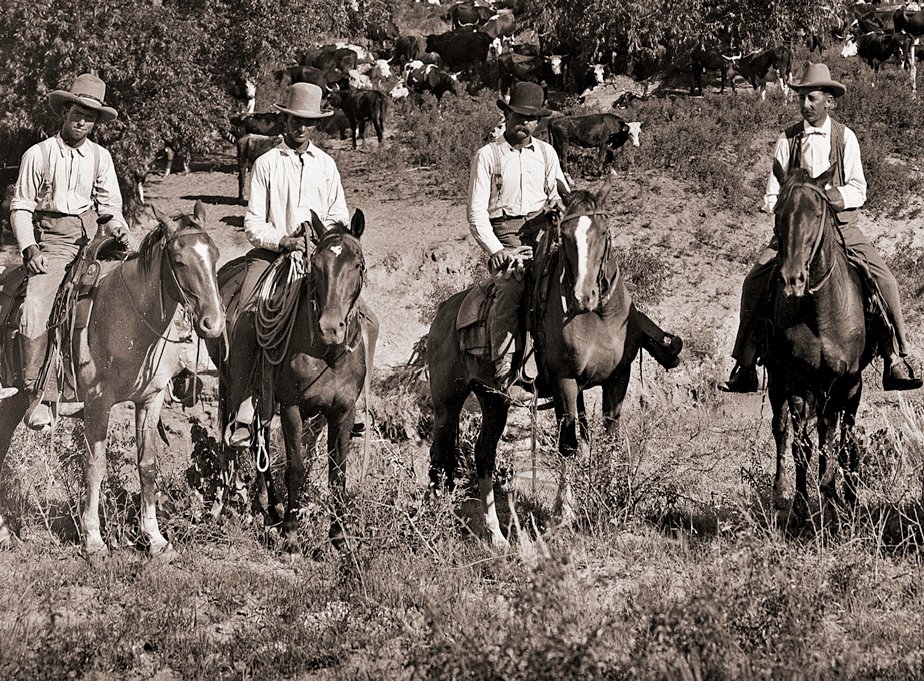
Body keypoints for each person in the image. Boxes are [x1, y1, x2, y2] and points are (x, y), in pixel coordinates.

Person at [467, 81, 682, 402]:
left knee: (592, 269)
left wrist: (564, 213)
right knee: (513, 286)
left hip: (547, 229)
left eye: (531, 119)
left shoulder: (546, 153)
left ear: (538, 121)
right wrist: (497, 251)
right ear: (507, 115)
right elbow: (476, 212)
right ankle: (506, 367)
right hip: (508, 236)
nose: (524, 125)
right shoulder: (488, 156)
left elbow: (558, 194)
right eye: (518, 117)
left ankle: (650, 338)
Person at [721, 62, 921, 393]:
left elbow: (859, 188)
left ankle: (896, 356)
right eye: (801, 98)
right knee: (754, 278)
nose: (805, 104)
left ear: (829, 101)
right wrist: (785, 205)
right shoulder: (786, 139)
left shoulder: (846, 138)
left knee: (884, 277)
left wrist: (827, 197)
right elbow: (772, 192)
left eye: (812, 98)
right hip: (796, 232)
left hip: (842, 228)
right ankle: (744, 361)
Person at [225, 82, 375, 447]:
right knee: (247, 315)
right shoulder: (266, 163)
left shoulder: (326, 164)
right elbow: (252, 222)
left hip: (322, 258)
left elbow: (338, 215)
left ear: (316, 124)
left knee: (367, 319)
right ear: (284, 119)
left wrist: (329, 241)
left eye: (308, 121)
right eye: (295, 119)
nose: (301, 127)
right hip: (275, 255)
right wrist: (284, 240)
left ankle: (358, 401)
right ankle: (245, 409)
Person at [9, 73, 132, 429]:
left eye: (91, 116)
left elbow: (110, 206)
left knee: (128, 288)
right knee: (37, 304)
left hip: (93, 239)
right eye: (78, 112)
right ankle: (39, 393)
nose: (83, 121)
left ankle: (124, 378)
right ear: (65, 111)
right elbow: (21, 206)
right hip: (54, 240)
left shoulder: (100, 157)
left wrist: (119, 232)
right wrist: (29, 248)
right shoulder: (40, 154)